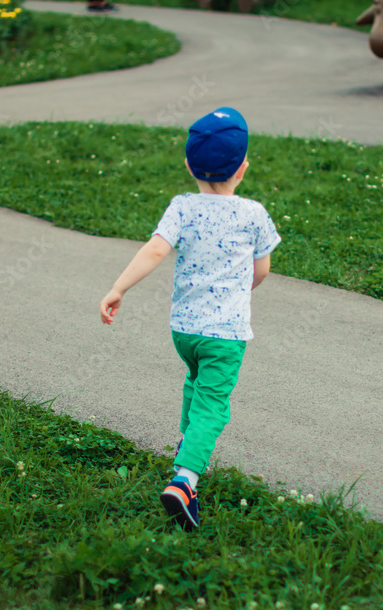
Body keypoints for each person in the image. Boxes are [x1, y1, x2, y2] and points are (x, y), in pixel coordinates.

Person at [99, 107, 281, 532]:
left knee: (195, 383)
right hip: (227, 334)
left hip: (184, 330)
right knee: (214, 404)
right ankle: (186, 480)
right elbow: (263, 269)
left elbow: (155, 250)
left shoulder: (182, 206)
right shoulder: (253, 213)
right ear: (243, 168)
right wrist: (245, 288)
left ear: (187, 165)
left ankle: (187, 445)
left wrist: (118, 288)